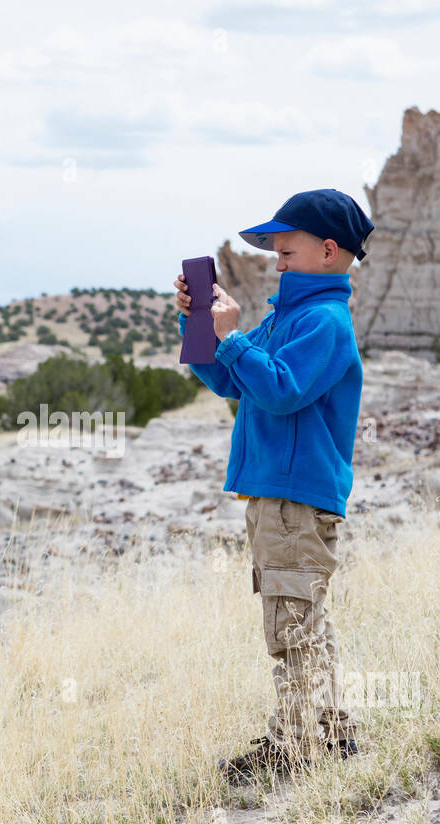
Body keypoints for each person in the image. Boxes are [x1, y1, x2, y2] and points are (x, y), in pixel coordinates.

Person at [173, 188, 374, 782]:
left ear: (329, 252)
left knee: (291, 624)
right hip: (278, 496)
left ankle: (293, 748)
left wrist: (234, 339)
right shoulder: (288, 317)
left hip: (294, 498)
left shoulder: (325, 323)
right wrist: (200, 324)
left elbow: (282, 388)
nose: (277, 263)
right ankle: (333, 733)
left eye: (286, 253)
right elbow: (232, 383)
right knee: (305, 617)